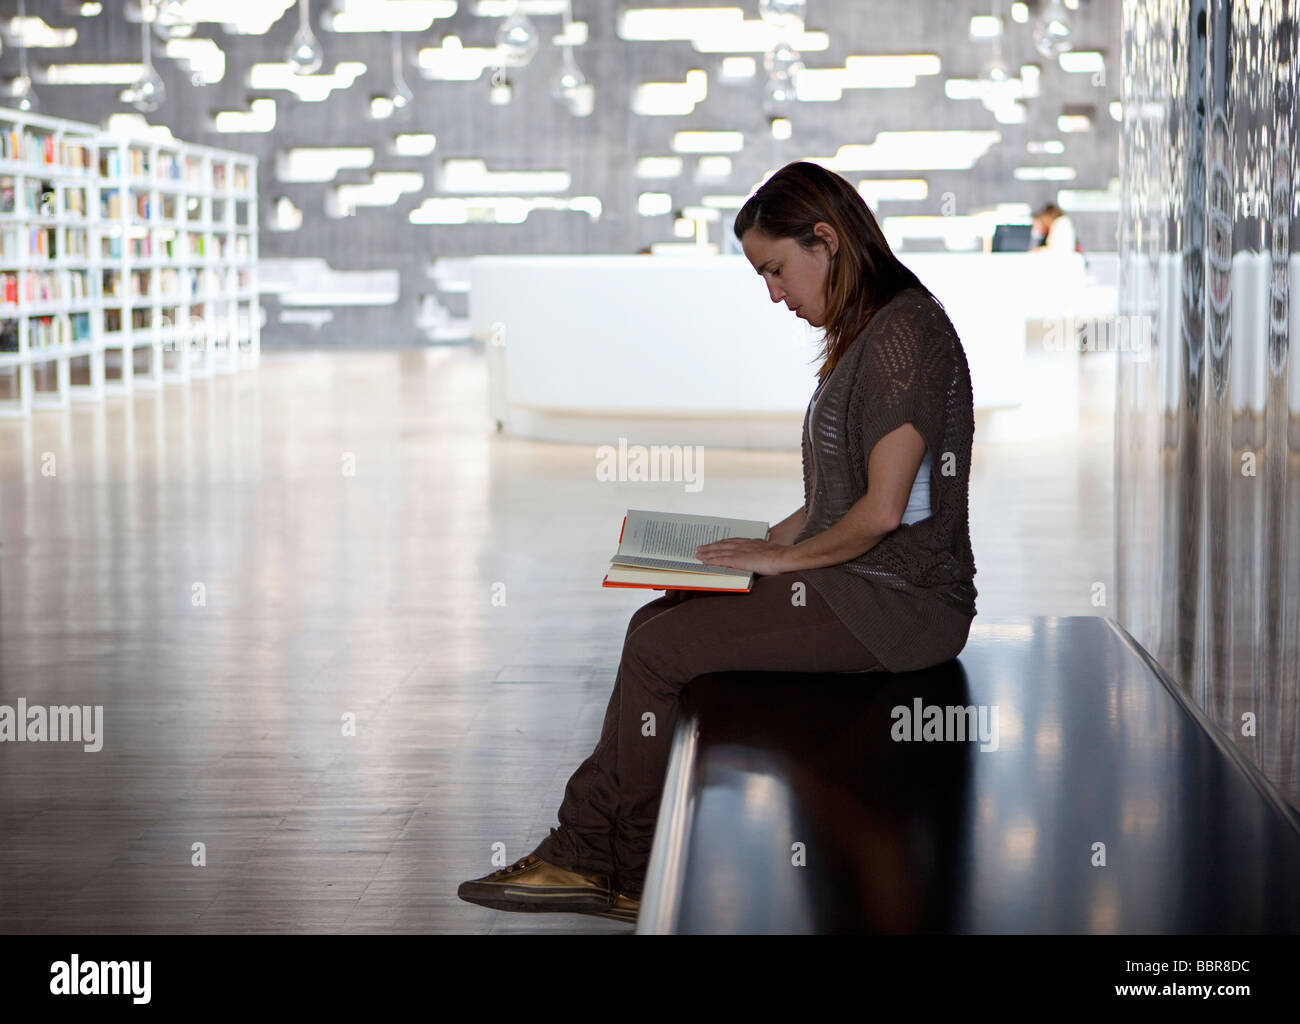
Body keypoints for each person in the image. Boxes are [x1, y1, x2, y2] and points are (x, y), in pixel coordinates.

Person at [457, 160, 979, 925]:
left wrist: (779, 562)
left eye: (776, 269)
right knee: (656, 623)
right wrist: (738, 550)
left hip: (899, 603)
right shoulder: (875, 329)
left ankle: (611, 864)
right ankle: (599, 853)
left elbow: (882, 510)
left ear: (826, 240)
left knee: (660, 652)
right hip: (860, 583)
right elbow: (831, 501)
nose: (775, 294)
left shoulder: (902, 339)